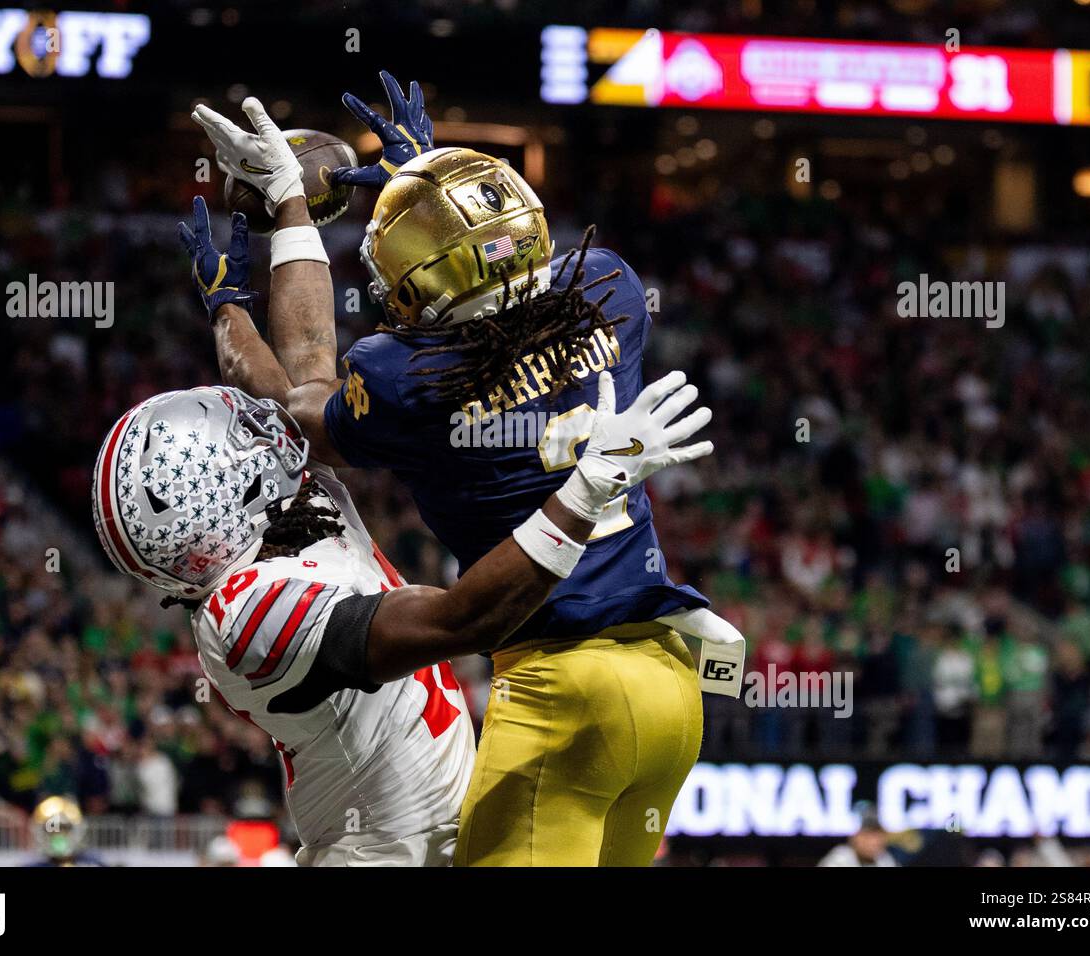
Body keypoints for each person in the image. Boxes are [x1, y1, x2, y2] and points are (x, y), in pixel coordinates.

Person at [190, 74, 744, 866]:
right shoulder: (608, 284)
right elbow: (511, 280)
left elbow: (301, 399)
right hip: (668, 687)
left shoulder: (410, 379)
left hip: (563, 690)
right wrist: (436, 186)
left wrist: (280, 222)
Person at [101, 201, 711, 863]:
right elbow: (461, 620)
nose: (259, 440)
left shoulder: (282, 522)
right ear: (226, 496)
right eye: (238, 447)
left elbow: (295, 389)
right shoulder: (247, 618)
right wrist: (589, 486)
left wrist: (258, 261)